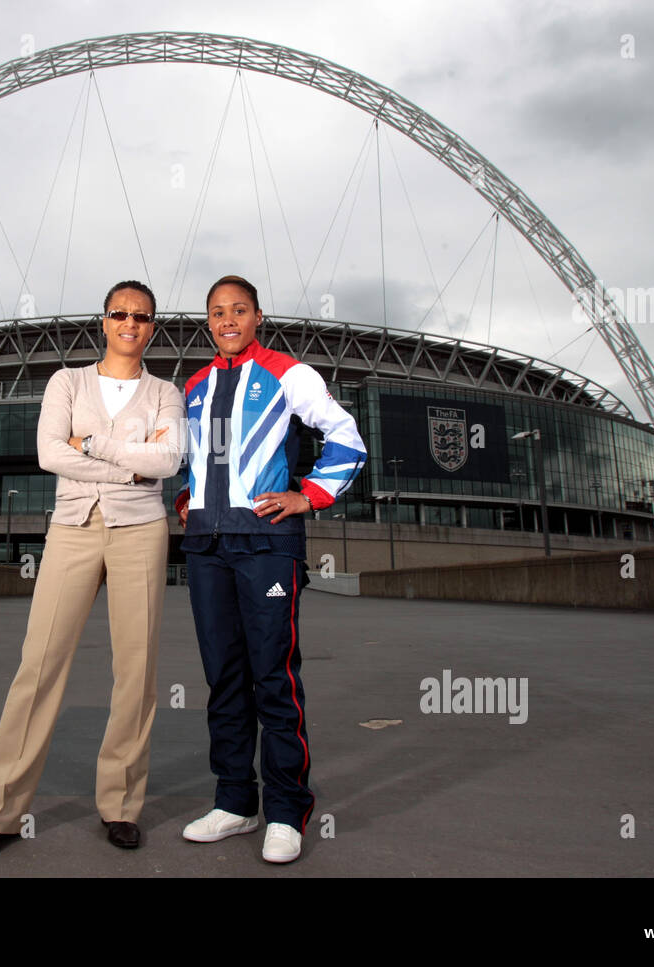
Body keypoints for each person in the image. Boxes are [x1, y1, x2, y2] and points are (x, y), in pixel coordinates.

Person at [0, 280, 184, 861]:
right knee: (39, 665)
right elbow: (49, 453)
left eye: (141, 316)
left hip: (140, 531)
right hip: (72, 529)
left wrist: (97, 447)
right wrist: (128, 467)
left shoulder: (165, 392)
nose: (130, 322)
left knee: (136, 672)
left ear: (151, 327)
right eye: (120, 313)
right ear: (103, 322)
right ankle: (0, 813)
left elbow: (168, 460)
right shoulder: (68, 380)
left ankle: (121, 806)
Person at [175, 275, 367, 863]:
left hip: (266, 546)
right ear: (208, 321)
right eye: (217, 312)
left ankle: (287, 810)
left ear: (259, 315)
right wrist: (187, 498)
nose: (227, 320)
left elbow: (347, 439)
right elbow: (196, 459)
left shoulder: (290, 372)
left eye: (239, 310)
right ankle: (235, 803)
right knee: (223, 679)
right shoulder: (195, 385)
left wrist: (307, 496)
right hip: (207, 548)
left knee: (273, 678)